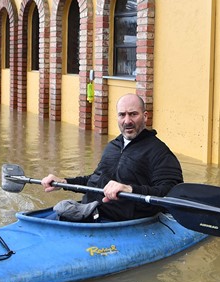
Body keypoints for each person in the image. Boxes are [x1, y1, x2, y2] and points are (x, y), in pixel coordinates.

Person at [41, 94, 183, 222]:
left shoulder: (159, 152)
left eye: (133, 114)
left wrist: (130, 189)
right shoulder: (113, 146)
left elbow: (171, 191)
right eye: (122, 115)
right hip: (88, 211)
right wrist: (63, 182)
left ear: (145, 116)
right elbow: (96, 180)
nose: (127, 121)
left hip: (119, 222)